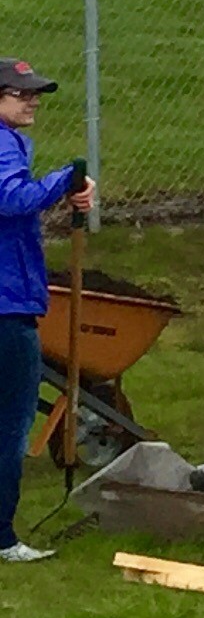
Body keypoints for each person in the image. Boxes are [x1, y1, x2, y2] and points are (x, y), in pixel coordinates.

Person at [0, 57, 89, 565]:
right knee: (11, 426)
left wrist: (64, 190)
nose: (31, 99)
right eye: (19, 93)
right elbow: (11, 199)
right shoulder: (1, 145)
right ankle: (3, 538)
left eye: (34, 92)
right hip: (6, 305)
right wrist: (64, 182)